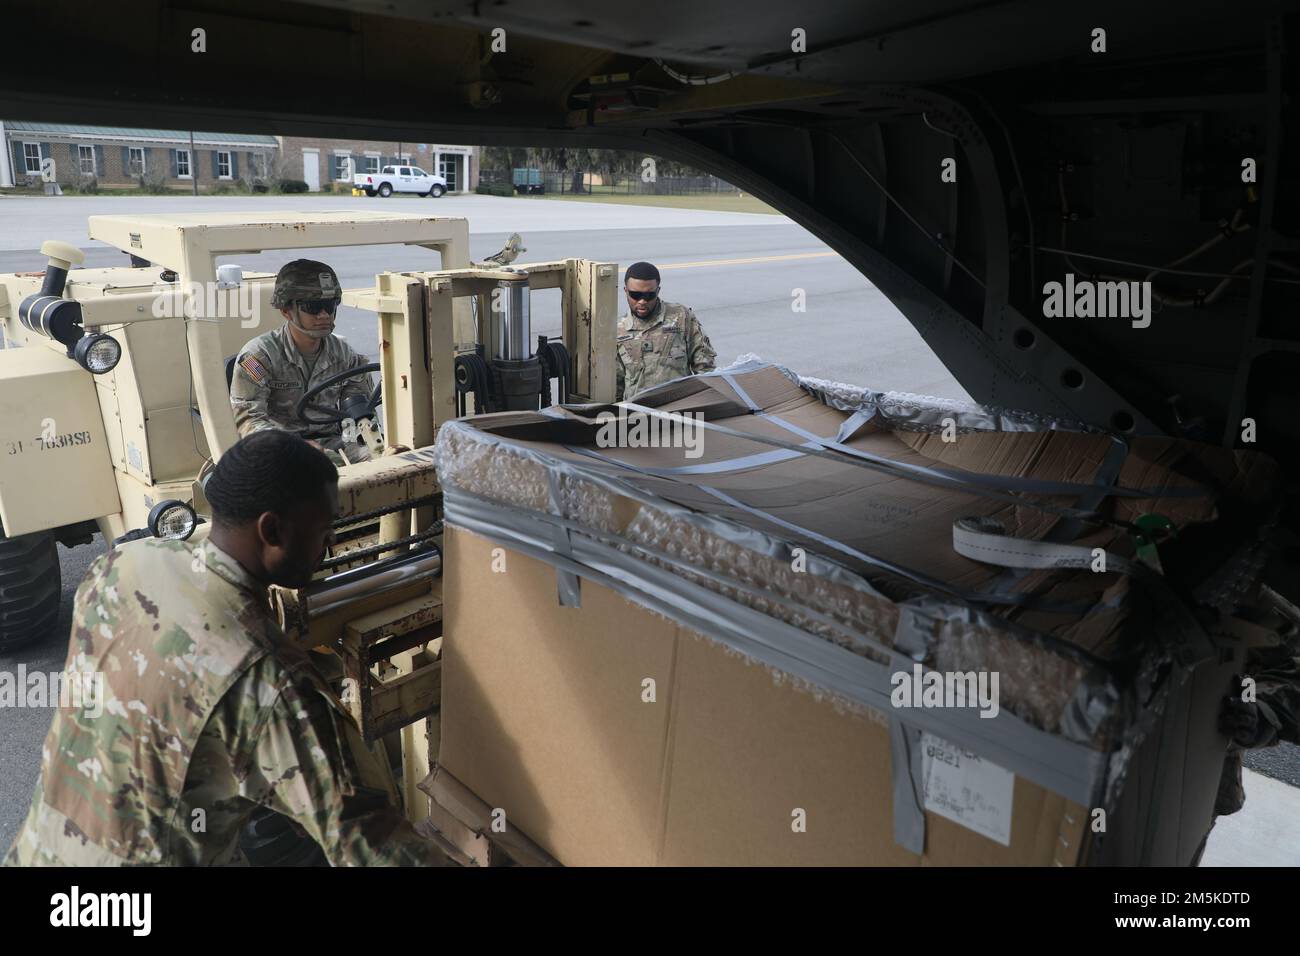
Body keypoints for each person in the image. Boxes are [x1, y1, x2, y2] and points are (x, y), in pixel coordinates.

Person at [4, 431, 452, 867]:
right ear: (272, 529)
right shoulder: (271, 681)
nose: (329, 546)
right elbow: (375, 845)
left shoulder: (120, 565)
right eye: (323, 530)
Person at [230, 259, 376, 462]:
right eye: (313, 307)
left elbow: (360, 412)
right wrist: (292, 447)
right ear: (286, 311)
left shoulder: (345, 356)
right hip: (278, 446)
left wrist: (372, 441)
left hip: (333, 442)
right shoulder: (258, 357)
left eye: (329, 305)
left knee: (382, 459)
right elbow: (249, 418)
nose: (324, 315)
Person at [615, 261, 716, 401]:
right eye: (635, 295)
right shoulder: (619, 331)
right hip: (638, 413)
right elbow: (617, 385)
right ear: (626, 291)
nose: (642, 301)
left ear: (658, 291)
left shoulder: (681, 317)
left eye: (649, 295)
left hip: (679, 409)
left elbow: (705, 367)